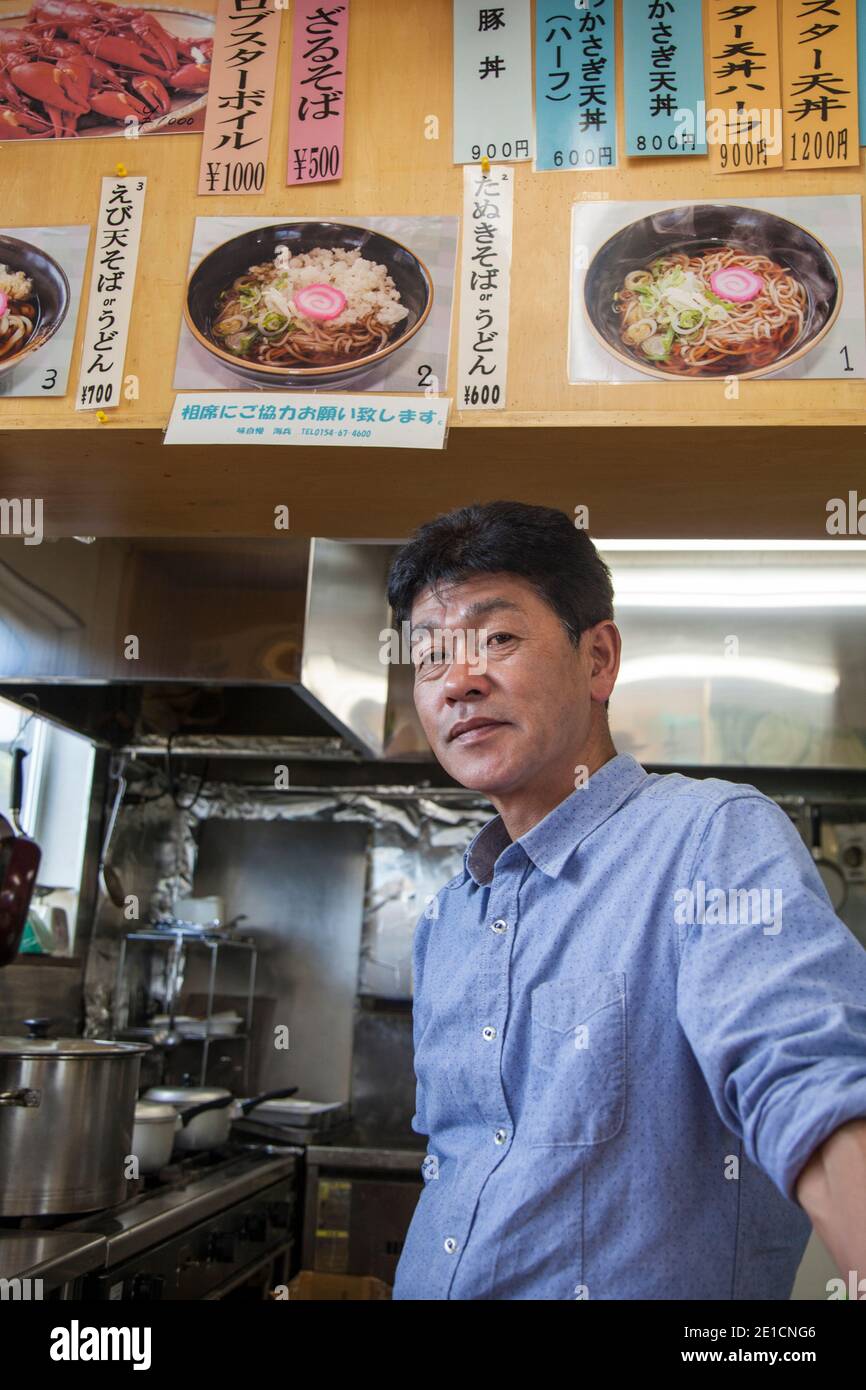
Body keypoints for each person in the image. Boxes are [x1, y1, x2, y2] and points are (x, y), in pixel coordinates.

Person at [386, 500, 866, 1301]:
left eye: (498, 638)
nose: (460, 680)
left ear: (598, 659)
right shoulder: (449, 917)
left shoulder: (708, 839)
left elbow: (805, 1071)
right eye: (431, 655)